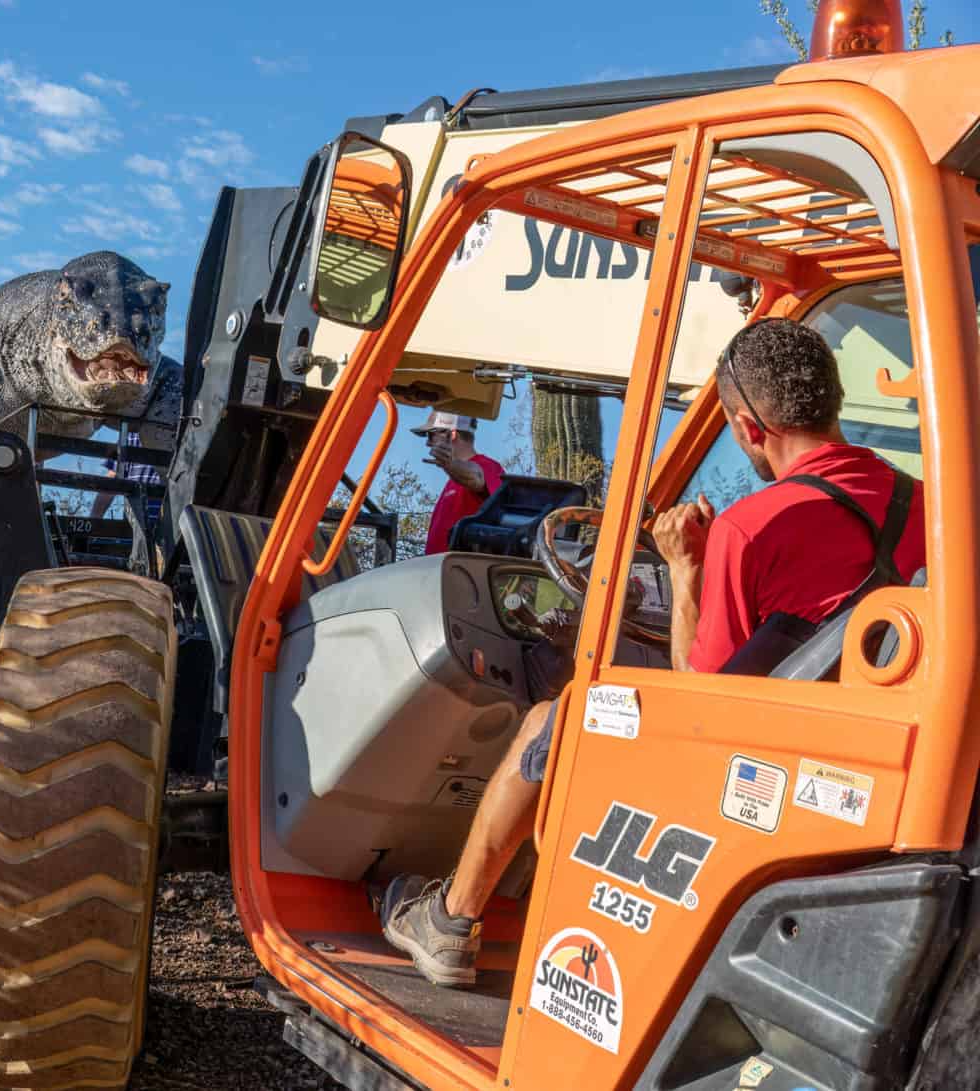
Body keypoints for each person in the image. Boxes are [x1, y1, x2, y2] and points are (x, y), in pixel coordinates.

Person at [377, 319, 925, 989]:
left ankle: (451, 922)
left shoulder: (753, 528)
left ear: (749, 429)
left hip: (748, 775)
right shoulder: (924, 506)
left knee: (558, 714)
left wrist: (686, 567)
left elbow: (700, 699)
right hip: (854, 760)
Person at [415, 410, 505, 555]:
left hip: (462, 572)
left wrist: (450, 464)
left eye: (431, 435)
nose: (428, 443)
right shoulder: (454, 477)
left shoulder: (487, 466)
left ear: (452, 434)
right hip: (440, 570)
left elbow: (477, 477)